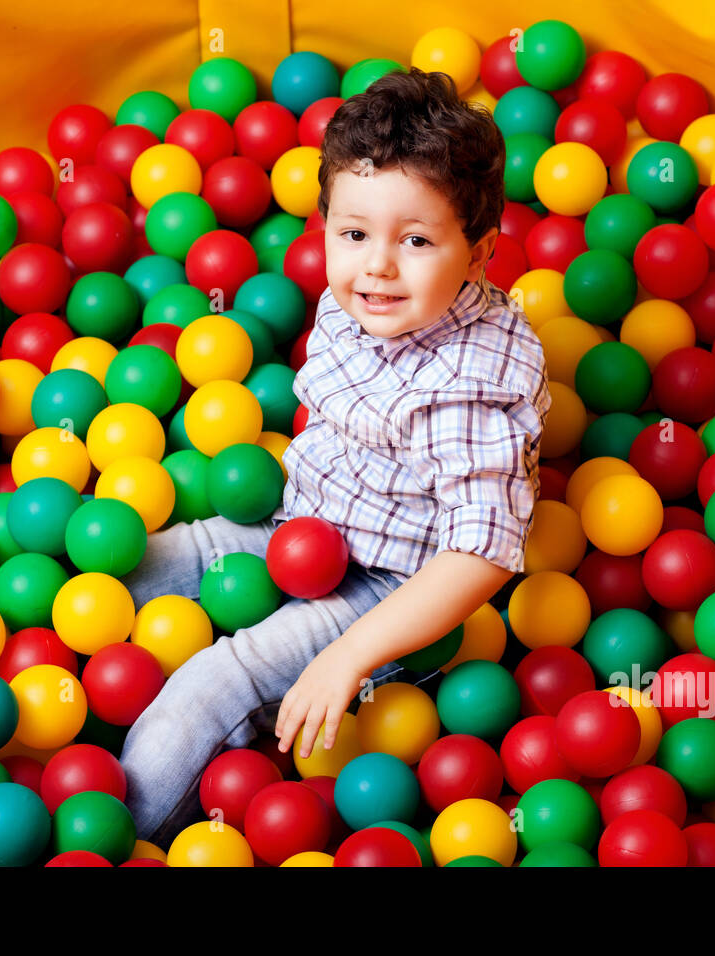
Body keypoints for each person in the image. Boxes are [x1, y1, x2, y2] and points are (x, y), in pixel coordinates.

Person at [118, 66, 551, 849]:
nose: (378, 266)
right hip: (301, 527)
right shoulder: (362, 296)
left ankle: (111, 840)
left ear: (480, 253)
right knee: (134, 571)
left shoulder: (467, 383)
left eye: (417, 241)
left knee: (215, 678)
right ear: (324, 225)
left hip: (388, 590)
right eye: (353, 234)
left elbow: (482, 552)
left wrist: (350, 653)